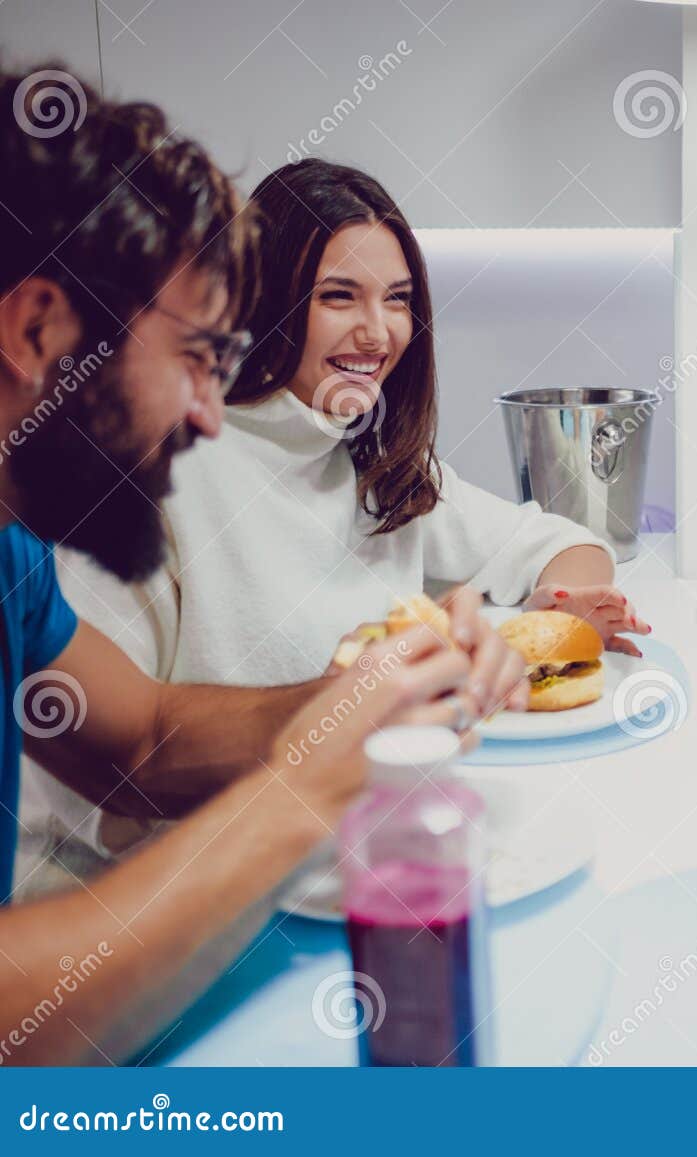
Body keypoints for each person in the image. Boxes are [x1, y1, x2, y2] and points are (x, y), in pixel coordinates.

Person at [0, 65, 504, 1064]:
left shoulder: (12, 551)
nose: (208, 411)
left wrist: (360, 698)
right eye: (192, 357)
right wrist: (303, 794)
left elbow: (135, 734)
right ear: (36, 330)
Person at [18, 158, 651, 887]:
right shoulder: (165, 474)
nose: (377, 332)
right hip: (166, 900)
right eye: (339, 296)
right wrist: (350, 712)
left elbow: (569, 544)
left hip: (352, 863)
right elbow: (106, 781)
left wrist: (530, 628)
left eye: (399, 300)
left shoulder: (381, 463)